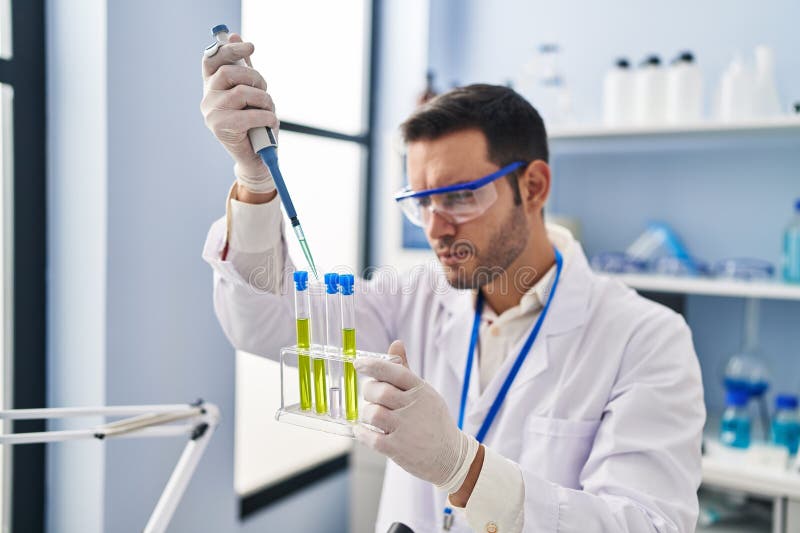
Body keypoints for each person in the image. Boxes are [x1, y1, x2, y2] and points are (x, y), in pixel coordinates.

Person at [200, 35, 705, 533]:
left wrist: (464, 469)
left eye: (459, 197)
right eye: (422, 203)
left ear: (533, 187)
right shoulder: (412, 300)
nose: (436, 228)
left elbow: (647, 526)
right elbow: (263, 322)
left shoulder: (646, 339)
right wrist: (255, 179)